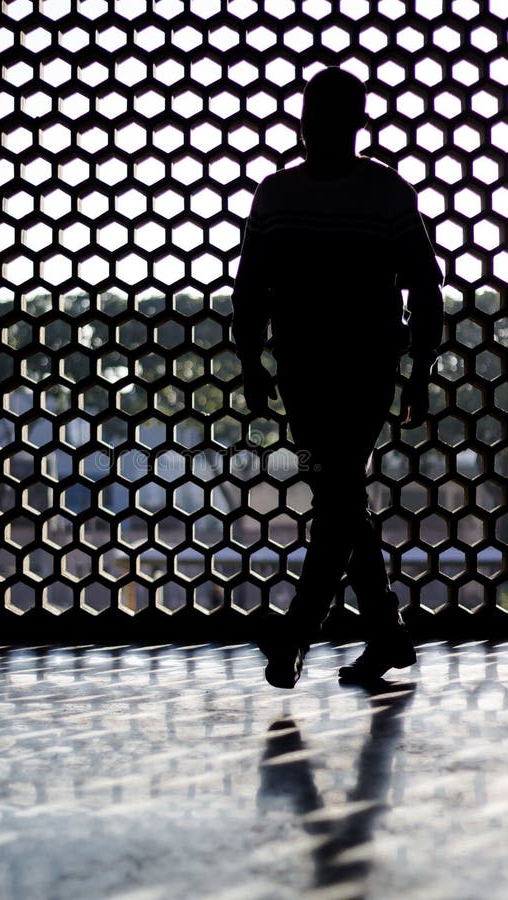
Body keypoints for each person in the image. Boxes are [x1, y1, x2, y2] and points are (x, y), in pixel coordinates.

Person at [230, 67, 444, 688]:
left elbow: (252, 290)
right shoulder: (382, 194)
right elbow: (424, 292)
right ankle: (387, 637)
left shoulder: (283, 195)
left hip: (321, 370)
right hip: (348, 370)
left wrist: (251, 360)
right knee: (342, 500)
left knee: (338, 497)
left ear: (346, 124)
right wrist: (419, 371)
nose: (310, 128)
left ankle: (294, 636)